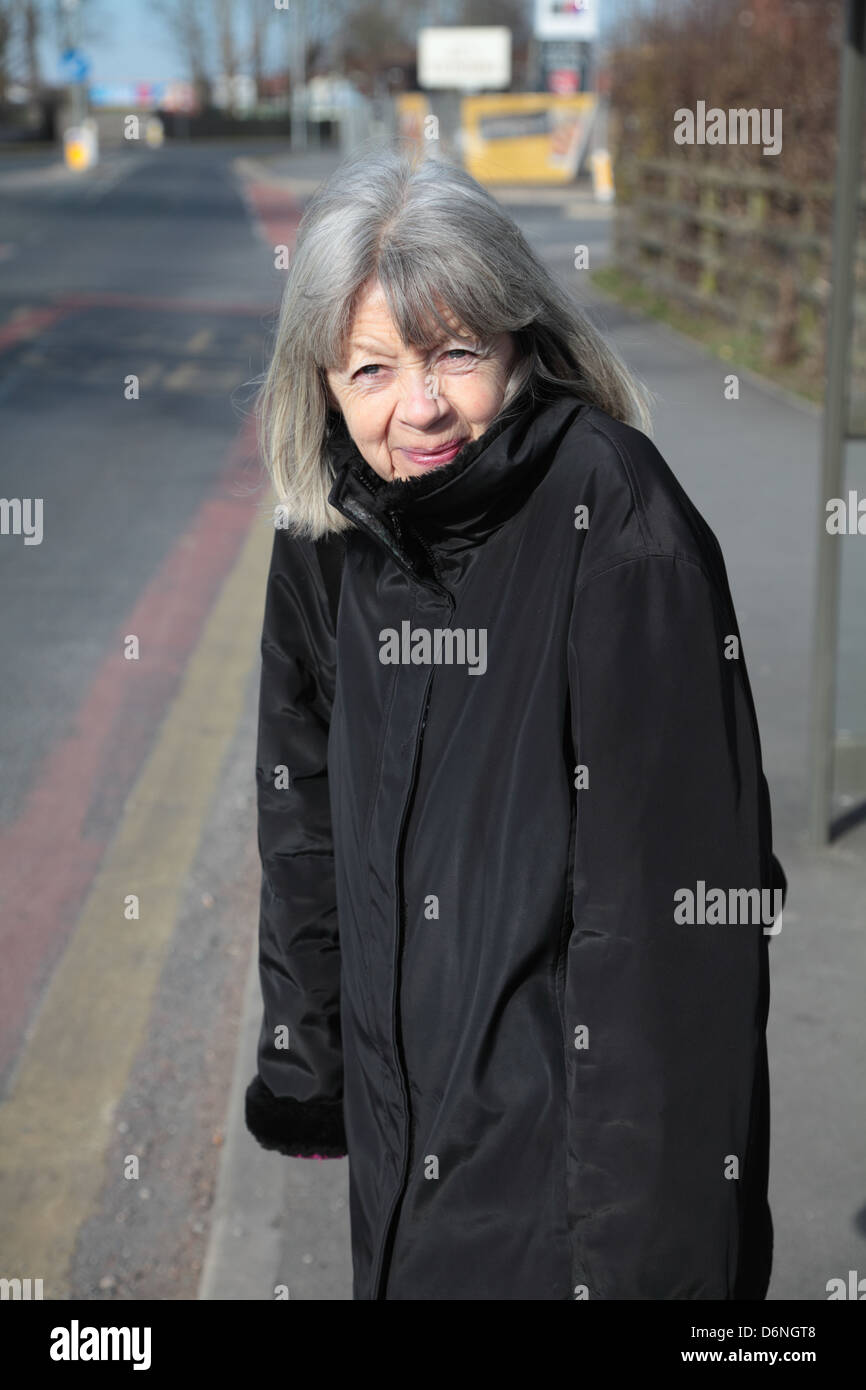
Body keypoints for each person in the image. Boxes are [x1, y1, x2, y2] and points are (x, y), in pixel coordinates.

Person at [243, 143, 787, 1301]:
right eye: (371, 369)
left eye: (454, 353)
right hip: (400, 1149)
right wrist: (310, 1049)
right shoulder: (327, 525)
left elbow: (674, 940)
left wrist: (653, 1266)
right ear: (322, 384)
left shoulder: (618, 527)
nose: (419, 407)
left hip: (566, 1199)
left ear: (520, 340)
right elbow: (299, 807)